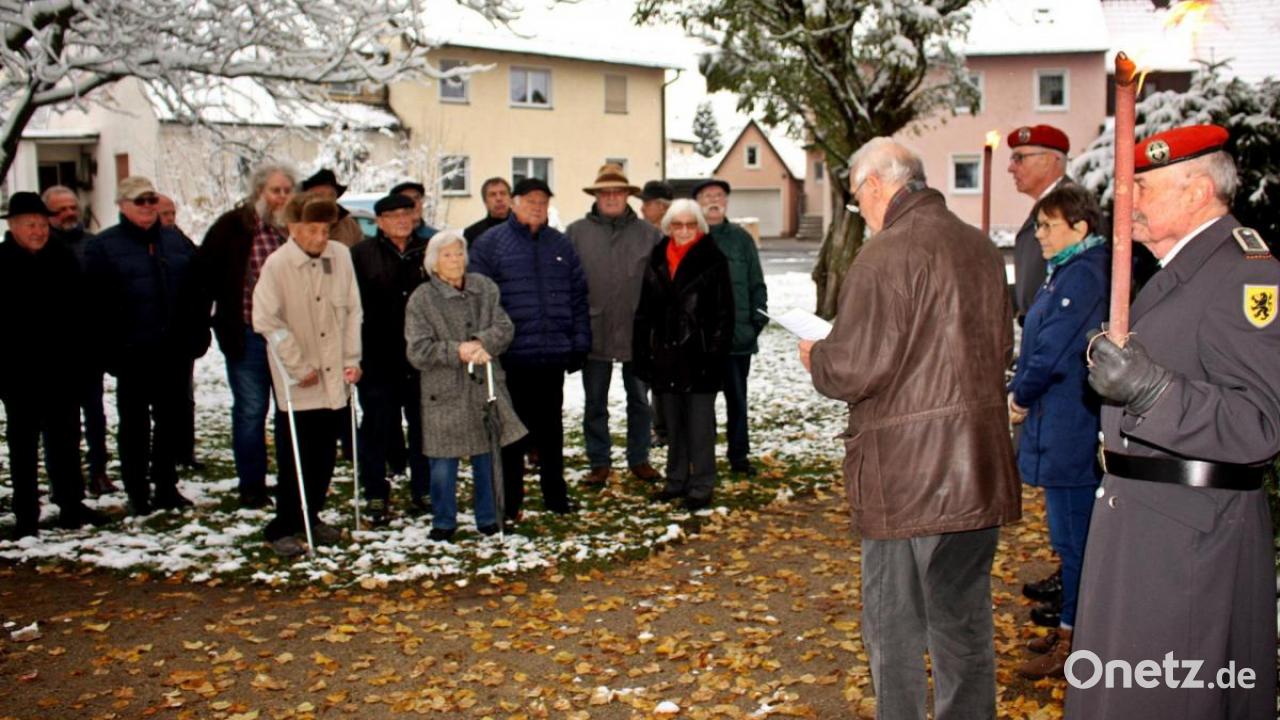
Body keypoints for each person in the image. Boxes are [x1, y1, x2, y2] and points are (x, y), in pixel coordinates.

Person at [799, 139, 1019, 719]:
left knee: (894, 622)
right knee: (962, 617)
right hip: (977, 466)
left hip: (905, 475)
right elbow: (1000, 348)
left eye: (855, 198)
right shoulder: (980, 249)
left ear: (876, 184)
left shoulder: (883, 256)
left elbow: (853, 368)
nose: (859, 211)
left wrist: (816, 356)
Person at [1068, 125, 1279, 719]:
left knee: (1167, 699)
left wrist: (1152, 390)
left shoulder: (1247, 274)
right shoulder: (1184, 269)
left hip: (1188, 536)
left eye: (1142, 185)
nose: (1125, 200)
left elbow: (1261, 422)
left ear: (1197, 192)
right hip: (1146, 523)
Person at [1006, 184, 1109, 678]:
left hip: (1070, 428)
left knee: (1075, 542)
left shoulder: (1083, 275)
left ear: (1080, 228)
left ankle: (1076, 644)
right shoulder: (1068, 271)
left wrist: (1020, 396)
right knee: (1069, 540)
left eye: (1048, 226)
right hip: (1062, 425)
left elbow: (1048, 350)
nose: (1039, 235)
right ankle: (1072, 634)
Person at [84, 177, 210, 516]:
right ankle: (137, 491)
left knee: (170, 422)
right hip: (132, 353)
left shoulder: (175, 241)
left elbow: (200, 288)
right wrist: (110, 350)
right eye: (139, 201)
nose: (147, 207)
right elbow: (94, 305)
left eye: (151, 200)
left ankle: (166, 486)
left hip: (174, 350)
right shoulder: (103, 246)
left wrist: (197, 334)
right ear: (123, 205)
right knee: (134, 427)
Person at [469, 177, 590, 519]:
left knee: (551, 431)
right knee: (511, 434)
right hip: (511, 356)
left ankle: (555, 495)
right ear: (514, 203)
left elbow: (578, 296)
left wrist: (578, 343)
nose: (537, 207)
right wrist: (487, 342)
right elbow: (478, 300)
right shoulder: (491, 244)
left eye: (543, 201)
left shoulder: (561, 245)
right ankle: (510, 501)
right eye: (530, 201)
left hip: (551, 354)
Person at [251, 193, 362, 557]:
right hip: (299, 379)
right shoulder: (277, 265)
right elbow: (266, 320)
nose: (320, 237)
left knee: (326, 454)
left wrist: (352, 359)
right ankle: (282, 525)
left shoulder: (340, 256)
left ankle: (310, 515)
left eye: (325, 229)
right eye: (311, 230)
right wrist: (298, 367)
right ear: (294, 228)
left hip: (335, 378)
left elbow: (352, 312)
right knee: (297, 454)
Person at [0, 192, 110, 538]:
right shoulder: (2, 262)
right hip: (18, 374)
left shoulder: (60, 258)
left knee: (65, 439)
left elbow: (81, 310)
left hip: (62, 370)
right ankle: (26, 513)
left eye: (42, 224)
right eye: (30, 224)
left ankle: (71, 504)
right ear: (12, 226)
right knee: (23, 444)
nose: (38, 231)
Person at [405, 230, 527, 541]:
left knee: (486, 455)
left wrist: (482, 342)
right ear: (434, 263)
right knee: (443, 462)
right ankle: (443, 522)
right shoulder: (422, 298)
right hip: (442, 390)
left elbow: (504, 326)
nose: (455, 260)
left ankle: (488, 518)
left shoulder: (484, 288)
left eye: (459, 253)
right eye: (447, 255)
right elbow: (417, 350)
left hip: (482, 386)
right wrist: (456, 350)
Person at [199, 163, 296, 508]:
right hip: (247, 334)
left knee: (291, 410)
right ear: (259, 193)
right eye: (275, 191)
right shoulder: (234, 226)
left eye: (287, 190)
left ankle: (292, 479)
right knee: (252, 410)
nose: (282, 197)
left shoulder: (294, 228)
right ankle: (252, 485)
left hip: (290, 337)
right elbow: (206, 273)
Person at [632, 199, 733, 511]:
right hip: (666, 356)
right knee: (672, 424)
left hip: (700, 356)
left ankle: (702, 485)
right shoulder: (658, 257)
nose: (684, 231)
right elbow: (644, 311)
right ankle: (676, 481)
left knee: (700, 426)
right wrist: (642, 352)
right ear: (668, 227)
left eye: (691, 224)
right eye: (678, 225)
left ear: (700, 227)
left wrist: (714, 356)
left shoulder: (713, 259)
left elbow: (724, 315)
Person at [567, 164, 663, 487]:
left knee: (639, 400)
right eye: (604, 192)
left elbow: (662, 283)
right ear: (596, 196)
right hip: (593, 332)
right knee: (595, 401)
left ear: (627, 196)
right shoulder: (576, 232)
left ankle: (639, 458)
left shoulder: (650, 234)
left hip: (637, 333)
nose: (611, 197)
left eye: (617, 192)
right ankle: (599, 461)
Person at [350, 193, 431, 524]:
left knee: (423, 427)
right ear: (379, 222)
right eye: (392, 215)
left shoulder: (428, 251)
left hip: (418, 358)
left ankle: (423, 489)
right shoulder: (361, 255)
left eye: (406, 213)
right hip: (377, 356)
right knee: (376, 429)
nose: (401, 220)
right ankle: (374, 492)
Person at [42, 184, 115, 496]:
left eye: (72, 207)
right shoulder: (42, 249)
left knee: (95, 414)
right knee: (60, 422)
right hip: (55, 352)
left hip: (90, 347)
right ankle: (65, 480)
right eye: (60, 210)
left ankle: (98, 470)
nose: (69, 213)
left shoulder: (93, 245)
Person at [693, 178, 767, 475]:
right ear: (698, 201)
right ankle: (703, 455)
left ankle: (739, 456)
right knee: (702, 404)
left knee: (737, 401)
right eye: (708, 195)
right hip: (701, 343)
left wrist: (755, 325)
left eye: (719, 195)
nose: (714, 200)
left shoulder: (741, 239)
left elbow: (756, 284)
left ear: (726, 201)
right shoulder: (691, 238)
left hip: (738, 340)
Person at [301, 168, 364, 248]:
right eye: (320, 195)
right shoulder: (297, 223)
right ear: (308, 197)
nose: (326, 199)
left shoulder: (349, 225)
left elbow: (361, 256)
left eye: (331, 195)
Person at [464, 177, 512, 243]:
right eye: (493, 195)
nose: (499, 198)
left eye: (503, 193)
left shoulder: (526, 228)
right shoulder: (473, 234)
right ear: (485, 202)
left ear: (510, 198)